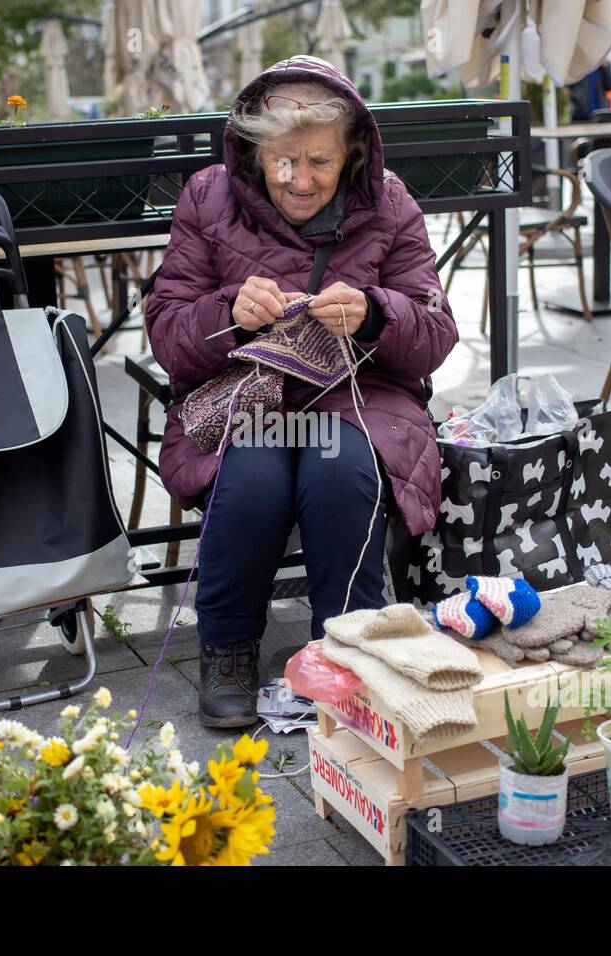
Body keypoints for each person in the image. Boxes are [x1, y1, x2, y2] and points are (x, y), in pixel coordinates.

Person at [144, 56, 457, 727]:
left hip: (357, 395)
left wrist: (374, 313)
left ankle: (348, 648)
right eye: (285, 162)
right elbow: (168, 334)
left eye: (320, 161)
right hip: (244, 395)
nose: (301, 179)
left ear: (351, 156)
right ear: (255, 154)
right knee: (253, 476)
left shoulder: (391, 202)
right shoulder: (206, 195)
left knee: (340, 468)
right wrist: (228, 312)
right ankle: (228, 646)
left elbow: (435, 330)